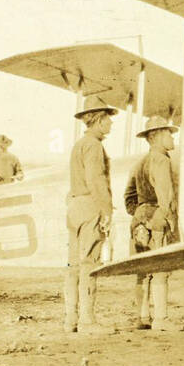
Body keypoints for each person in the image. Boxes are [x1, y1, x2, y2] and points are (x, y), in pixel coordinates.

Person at [65, 96, 116, 334]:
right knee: (90, 264)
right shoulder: (94, 146)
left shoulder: (80, 144)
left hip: (75, 206)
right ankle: (87, 321)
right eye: (107, 119)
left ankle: (71, 319)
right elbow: (96, 180)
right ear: (97, 120)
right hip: (90, 205)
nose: (110, 124)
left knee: (73, 265)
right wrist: (106, 210)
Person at [125, 115, 180, 332]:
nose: (172, 136)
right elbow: (165, 195)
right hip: (157, 217)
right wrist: (164, 217)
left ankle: (143, 316)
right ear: (156, 136)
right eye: (168, 133)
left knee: (142, 269)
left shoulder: (140, 163)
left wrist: (139, 213)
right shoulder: (161, 159)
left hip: (140, 218)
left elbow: (128, 195)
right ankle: (161, 319)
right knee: (161, 268)